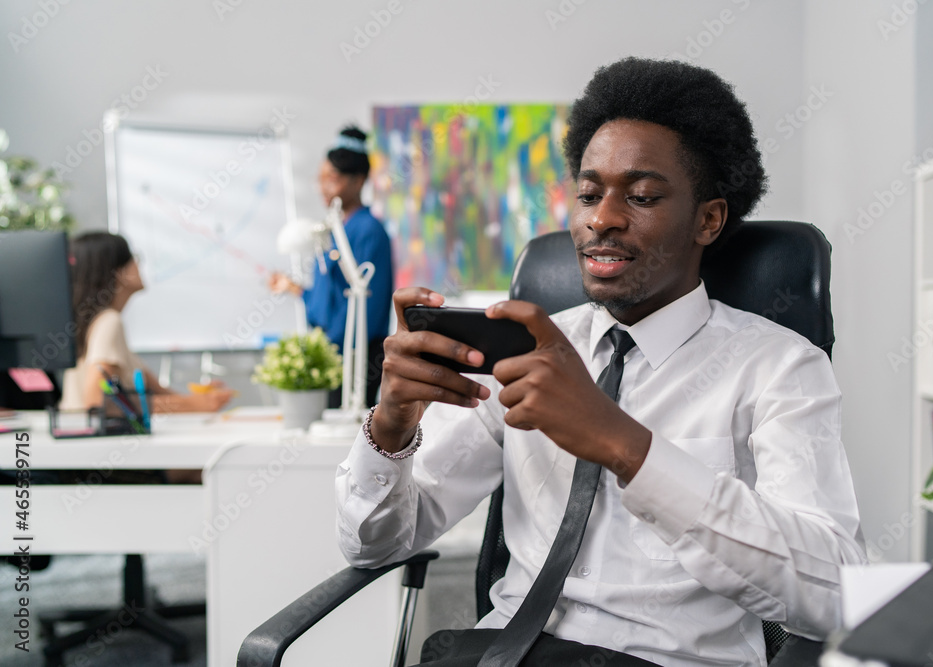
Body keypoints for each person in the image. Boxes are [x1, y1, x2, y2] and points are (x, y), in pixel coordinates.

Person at [336, 58, 866, 666]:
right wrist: (391, 428)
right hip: (502, 652)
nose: (602, 218)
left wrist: (625, 446)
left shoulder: (778, 368)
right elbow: (374, 548)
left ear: (708, 219)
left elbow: (834, 592)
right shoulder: (526, 349)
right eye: (588, 194)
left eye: (641, 197)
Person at [270, 126, 394, 409]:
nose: (323, 187)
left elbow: (365, 306)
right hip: (333, 351)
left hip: (355, 355)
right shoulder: (334, 230)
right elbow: (332, 295)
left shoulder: (368, 231)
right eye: (320, 179)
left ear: (358, 180)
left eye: (333, 178)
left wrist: (330, 348)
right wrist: (295, 289)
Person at [60, 231, 234, 416]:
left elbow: (162, 393)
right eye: (133, 258)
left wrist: (199, 398)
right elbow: (96, 403)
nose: (139, 264)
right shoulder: (109, 322)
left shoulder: (95, 322)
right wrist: (191, 404)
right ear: (119, 273)